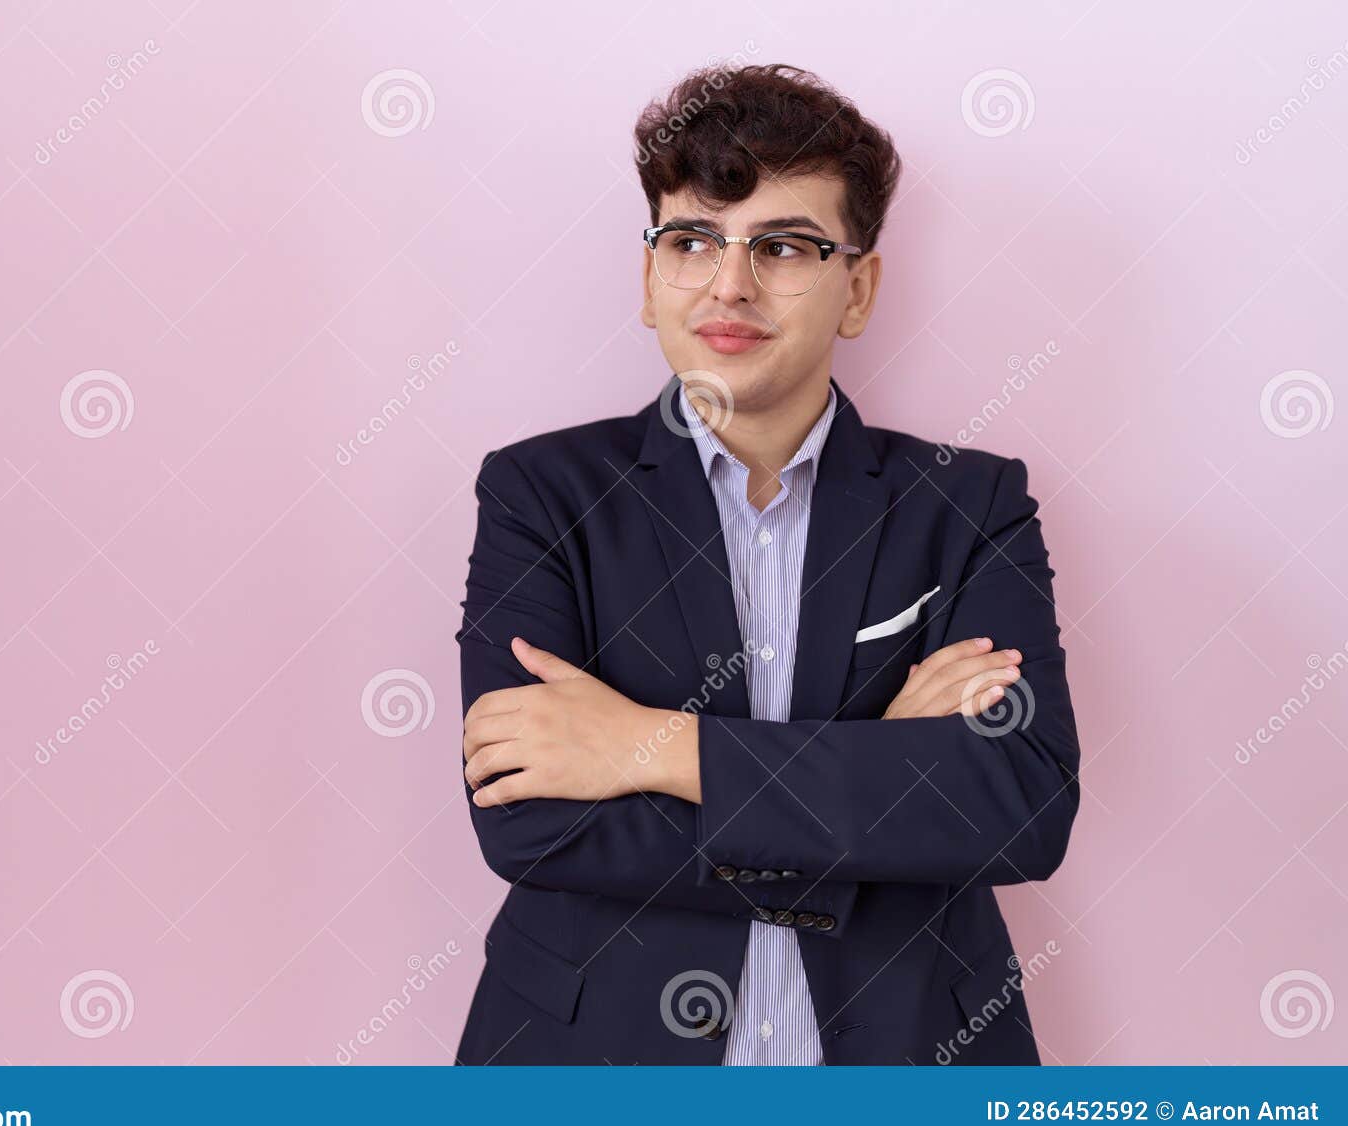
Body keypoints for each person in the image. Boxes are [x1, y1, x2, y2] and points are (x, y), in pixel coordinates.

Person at [453, 63, 1080, 1066]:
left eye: (782, 245)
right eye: (691, 241)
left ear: (858, 287)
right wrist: (882, 774)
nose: (729, 284)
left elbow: (1017, 808)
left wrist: (647, 746)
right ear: (648, 275)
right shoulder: (541, 494)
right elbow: (529, 822)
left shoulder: (968, 505)